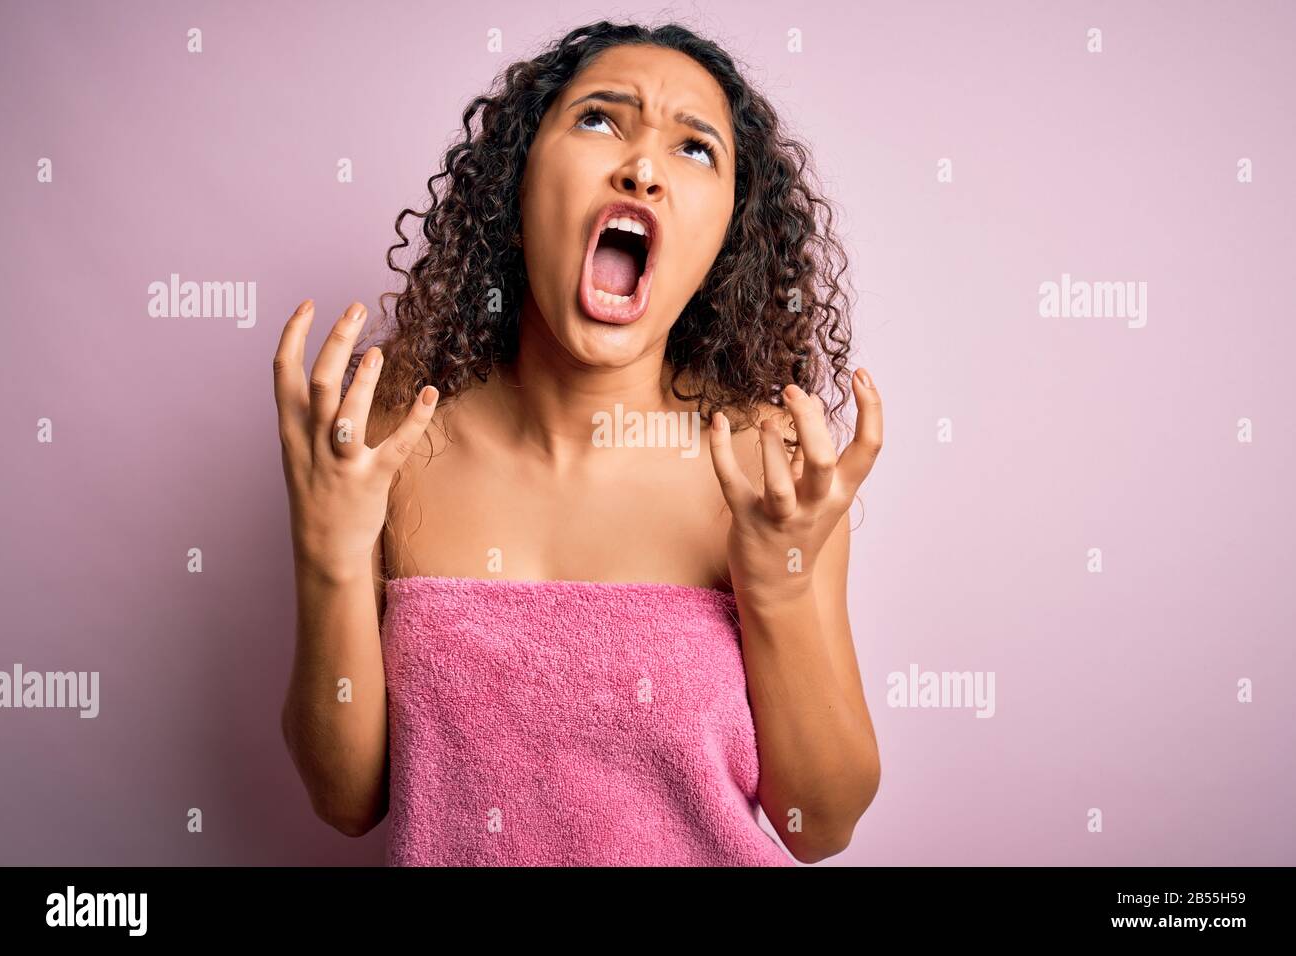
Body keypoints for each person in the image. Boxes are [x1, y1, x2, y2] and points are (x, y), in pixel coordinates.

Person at [276, 20, 884, 866]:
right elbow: (347, 802)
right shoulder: (393, 440)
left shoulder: (765, 468)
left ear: (722, 248)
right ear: (515, 202)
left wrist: (776, 591)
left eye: (695, 149)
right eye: (600, 120)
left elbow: (819, 826)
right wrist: (329, 549)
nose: (641, 168)